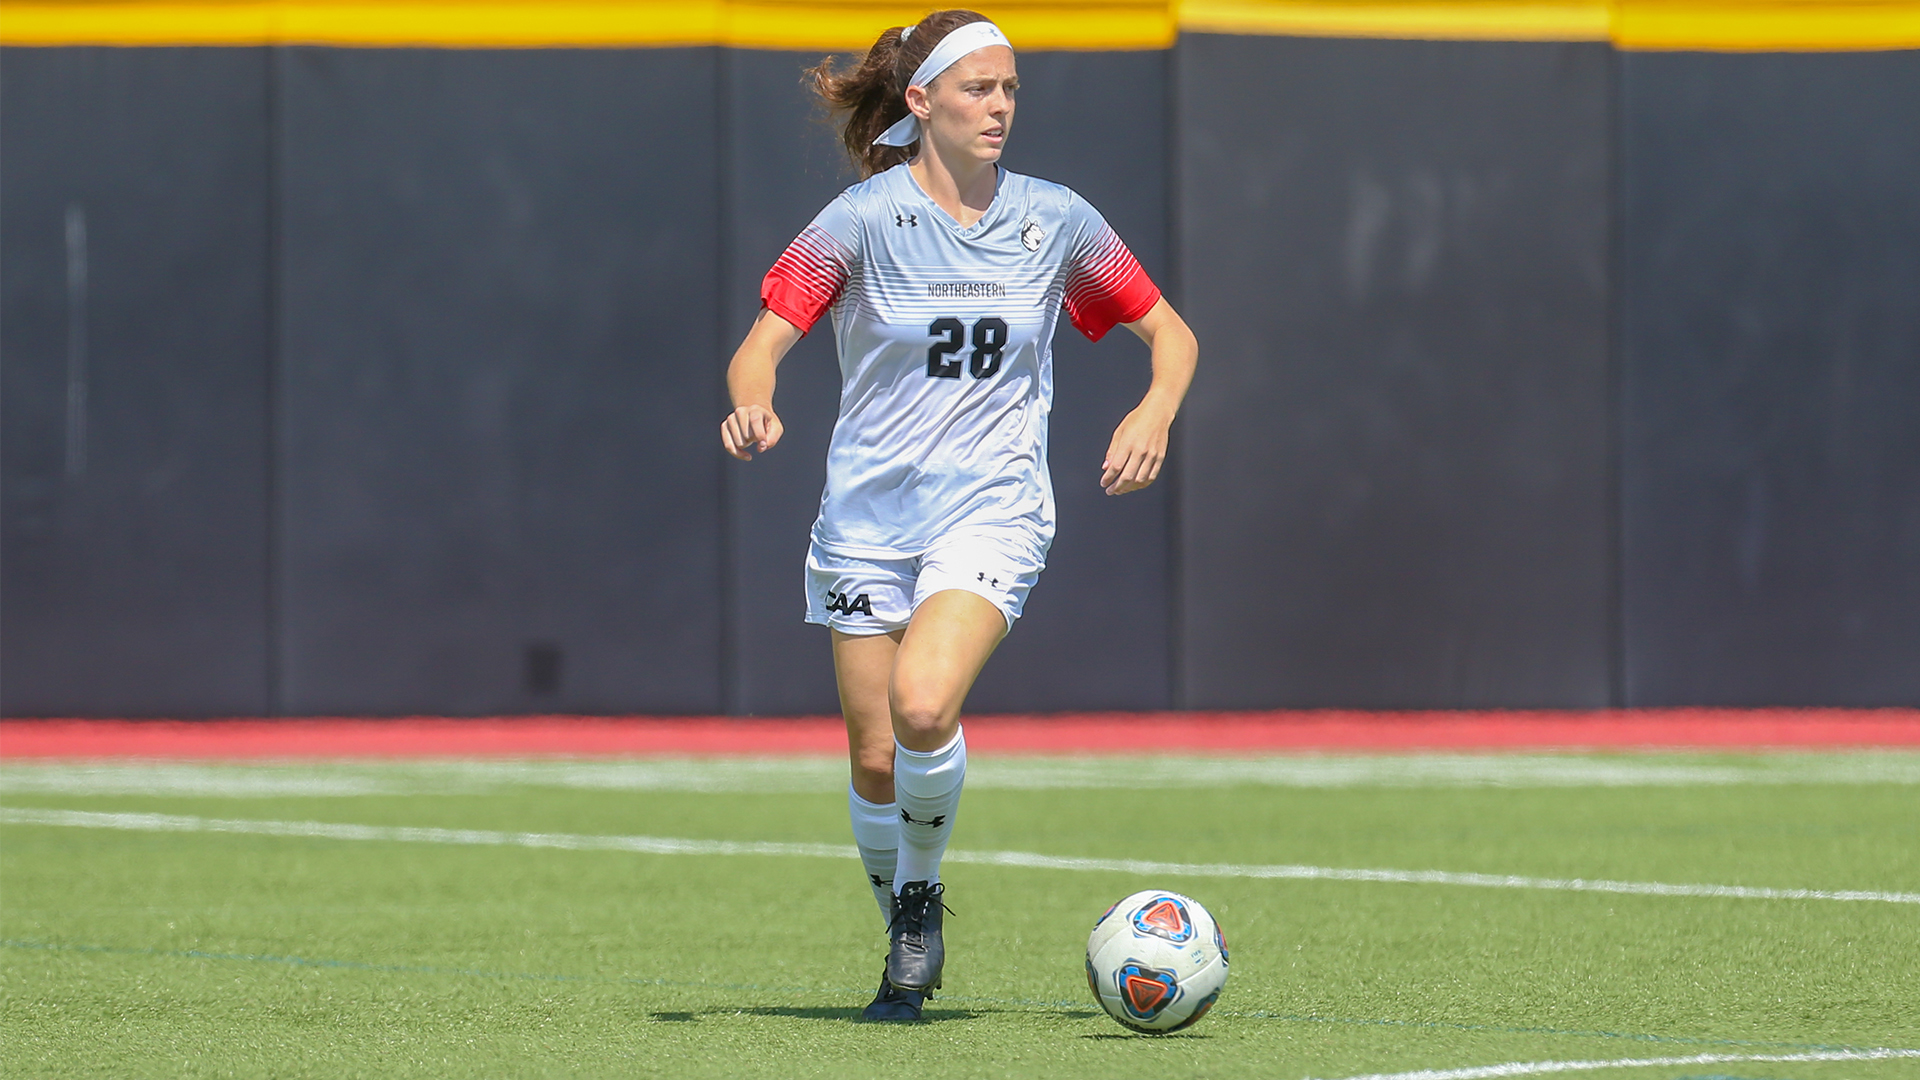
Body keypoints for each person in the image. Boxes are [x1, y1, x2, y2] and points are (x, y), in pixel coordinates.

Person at [718, 9, 1197, 1022]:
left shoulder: (1054, 218)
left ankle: (920, 898)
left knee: (925, 706)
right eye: (980, 88)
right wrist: (752, 397)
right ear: (922, 100)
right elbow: (762, 341)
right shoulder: (860, 221)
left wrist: (1153, 408)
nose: (1000, 106)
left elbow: (1170, 334)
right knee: (876, 755)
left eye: (1011, 89)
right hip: (865, 520)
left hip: (993, 506)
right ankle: (904, 917)